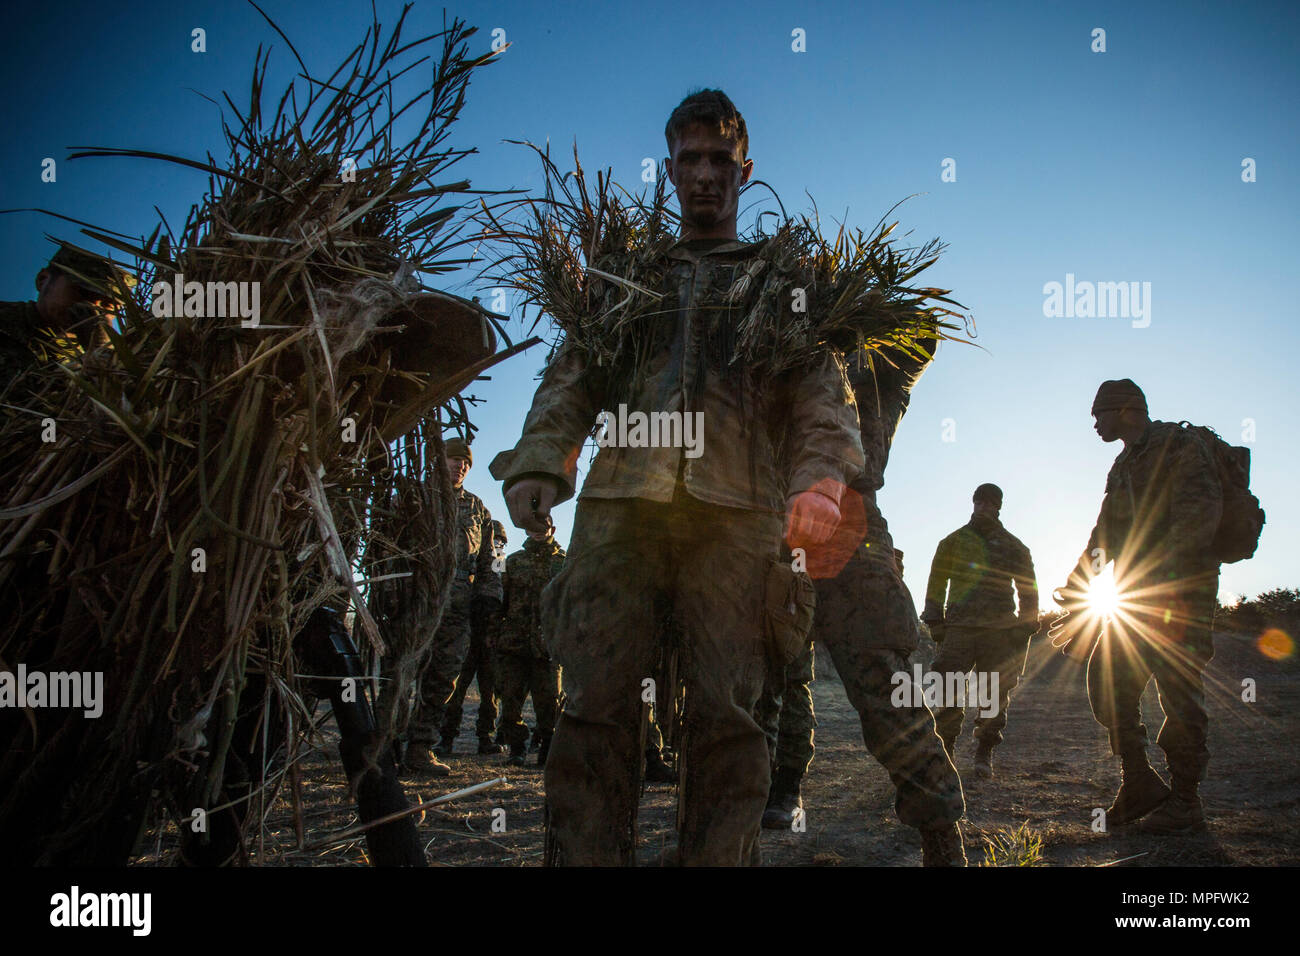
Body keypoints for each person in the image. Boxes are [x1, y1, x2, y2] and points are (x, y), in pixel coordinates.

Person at [490, 89, 864, 865]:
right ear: (667, 170)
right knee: (593, 710)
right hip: (621, 510)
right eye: (688, 160)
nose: (703, 176)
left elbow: (820, 391)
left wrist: (822, 479)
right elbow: (575, 374)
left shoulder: (775, 278)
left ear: (745, 170)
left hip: (737, 516)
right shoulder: (628, 275)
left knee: (730, 717)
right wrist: (539, 460)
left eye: (719, 161)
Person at [793, 347, 969, 864]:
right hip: (749, 513)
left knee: (885, 685)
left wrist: (840, 333)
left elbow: (918, 342)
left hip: (847, 522)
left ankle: (940, 833)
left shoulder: (869, 357)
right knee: (737, 689)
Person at [1060, 379, 1223, 832]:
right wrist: (1078, 589)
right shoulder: (1124, 464)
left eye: (1100, 414)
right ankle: (1140, 782)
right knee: (1107, 681)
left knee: (1178, 693)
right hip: (1136, 597)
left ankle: (1186, 802)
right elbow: (1105, 535)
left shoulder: (1180, 445)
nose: (1095, 423)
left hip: (1181, 594)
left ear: (1128, 410)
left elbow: (1201, 516)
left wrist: (1157, 578)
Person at [922, 483, 1039, 780]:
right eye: (981, 502)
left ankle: (984, 752)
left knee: (994, 694)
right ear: (973, 503)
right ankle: (946, 750)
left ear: (999, 507)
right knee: (947, 689)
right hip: (959, 628)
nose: (986, 507)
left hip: (999, 631)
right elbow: (936, 582)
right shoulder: (952, 542)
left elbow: (1028, 590)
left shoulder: (1014, 546)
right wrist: (935, 622)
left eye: (992, 503)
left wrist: (1024, 626)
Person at [403, 437, 502, 775]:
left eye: (466, 463)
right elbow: (386, 547)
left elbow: (491, 559)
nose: (461, 466)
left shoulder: (478, 508)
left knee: (443, 678)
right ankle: (385, 747)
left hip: (458, 607)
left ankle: (420, 747)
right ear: (438, 460)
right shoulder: (414, 497)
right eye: (455, 459)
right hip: (415, 599)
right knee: (401, 675)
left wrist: (489, 600)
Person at [1, 242, 125, 390]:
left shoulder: (88, 356)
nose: (93, 308)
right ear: (43, 280)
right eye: (82, 293)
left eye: (108, 305)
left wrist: (101, 351)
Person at [495, 516, 565, 767]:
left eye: (543, 528)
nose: (537, 532)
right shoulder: (513, 561)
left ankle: (547, 746)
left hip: (548, 647)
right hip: (514, 644)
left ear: (552, 529)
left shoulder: (564, 563)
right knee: (510, 702)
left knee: (549, 704)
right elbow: (500, 601)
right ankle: (517, 747)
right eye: (532, 528)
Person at [440, 519, 508, 755]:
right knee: (456, 688)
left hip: (489, 636)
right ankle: (446, 737)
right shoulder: (472, 561)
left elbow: (501, 592)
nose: (497, 544)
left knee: (489, 693)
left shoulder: (500, 561)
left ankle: (485, 737)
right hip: (467, 631)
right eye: (495, 540)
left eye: (500, 541)